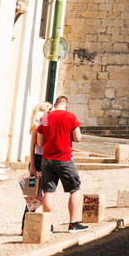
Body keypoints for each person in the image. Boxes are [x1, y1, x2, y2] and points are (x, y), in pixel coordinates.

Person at [39, 95, 88, 231]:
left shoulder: (45, 117)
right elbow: (78, 138)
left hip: (47, 160)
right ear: (66, 105)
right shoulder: (70, 116)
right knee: (75, 189)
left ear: (55, 105)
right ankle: (73, 224)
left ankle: (47, 225)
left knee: (48, 191)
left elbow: (40, 142)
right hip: (64, 159)